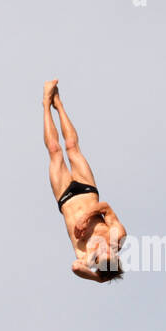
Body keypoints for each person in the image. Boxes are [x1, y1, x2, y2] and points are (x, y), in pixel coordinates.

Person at [42, 80, 127, 282]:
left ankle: (46, 104)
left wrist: (99, 279)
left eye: (101, 254)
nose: (103, 247)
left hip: (65, 197)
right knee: (72, 146)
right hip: (87, 190)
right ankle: (59, 104)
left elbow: (75, 267)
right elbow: (106, 208)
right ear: (116, 255)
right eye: (109, 251)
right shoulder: (118, 236)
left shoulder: (85, 257)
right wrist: (86, 217)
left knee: (55, 151)